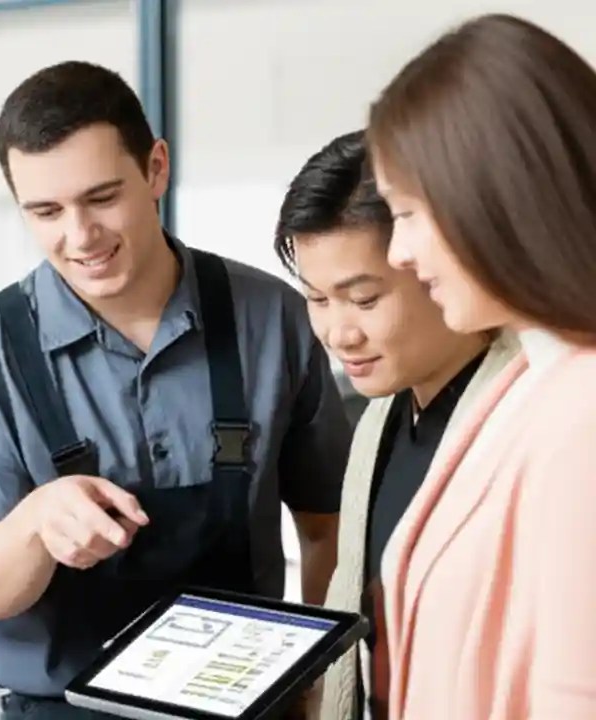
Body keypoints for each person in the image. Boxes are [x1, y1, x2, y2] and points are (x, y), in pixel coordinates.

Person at [0, 60, 352, 719]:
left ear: (155, 168)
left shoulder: (270, 318)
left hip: (244, 708)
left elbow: (329, 529)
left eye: (101, 198)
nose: (80, 236)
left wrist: (318, 689)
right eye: (45, 211)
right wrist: (37, 522)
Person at [363, 13, 596, 719]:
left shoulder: (582, 413)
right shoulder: (532, 379)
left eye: (406, 213)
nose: (398, 253)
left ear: (492, 195)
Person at [271, 129, 518, 720]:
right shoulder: (377, 420)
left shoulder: (530, 415)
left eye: (363, 299)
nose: (339, 333)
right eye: (318, 299)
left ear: (433, 262)